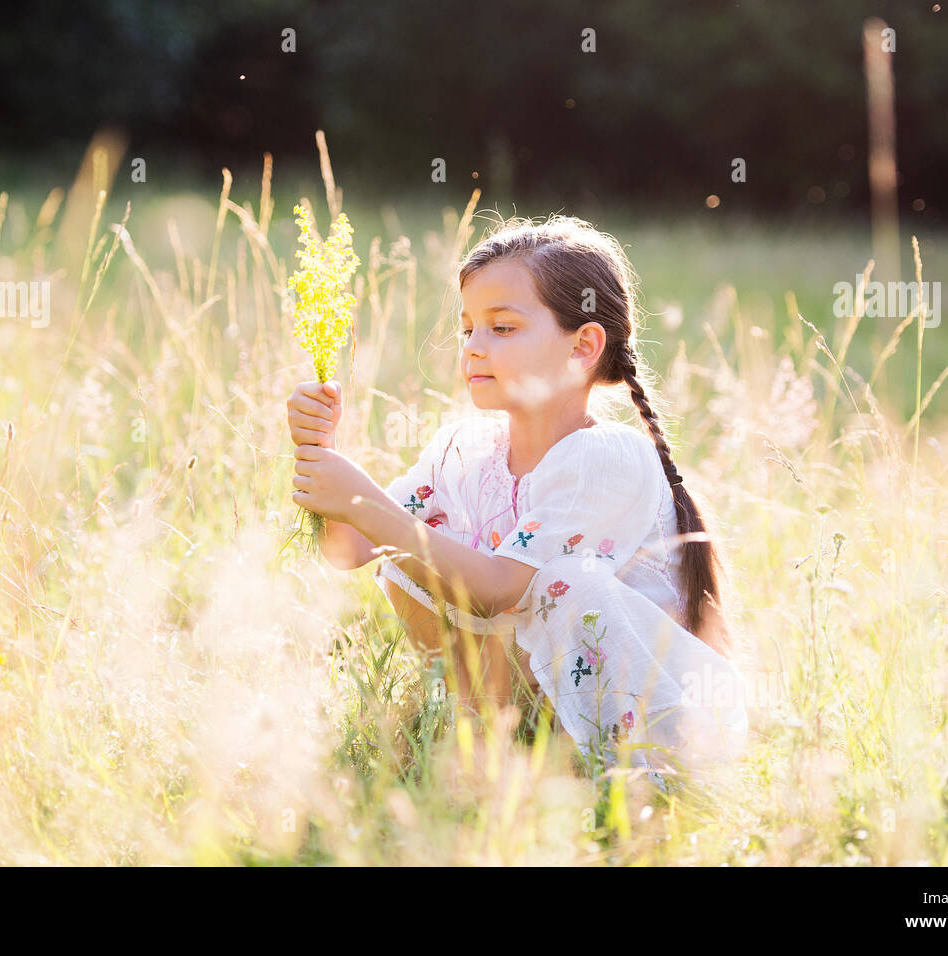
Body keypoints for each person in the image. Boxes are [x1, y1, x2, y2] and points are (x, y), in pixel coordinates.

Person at [286, 214, 748, 782]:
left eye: (502, 329)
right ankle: (490, 732)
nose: (474, 348)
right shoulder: (466, 446)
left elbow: (501, 587)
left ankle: (631, 772)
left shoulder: (606, 458)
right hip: (536, 694)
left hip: (661, 725)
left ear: (583, 347)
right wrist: (321, 451)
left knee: (561, 582)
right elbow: (351, 549)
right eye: (468, 329)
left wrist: (361, 498)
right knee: (408, 557)